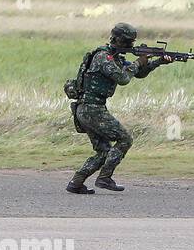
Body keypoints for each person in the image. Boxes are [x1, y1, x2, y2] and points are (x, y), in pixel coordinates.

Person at [66, 22, 174, 195]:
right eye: (126, 42)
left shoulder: (116, 57)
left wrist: (158, 62)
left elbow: (138, 73)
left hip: (89, 108)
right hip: (91, 108)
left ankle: (76, 183)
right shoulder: (103, 57)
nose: (130, 45)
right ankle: (104, 178)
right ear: (116, 39)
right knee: (125, 139)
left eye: (131, 42)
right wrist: (139, 61)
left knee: (103, 152)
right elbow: (123, 78)